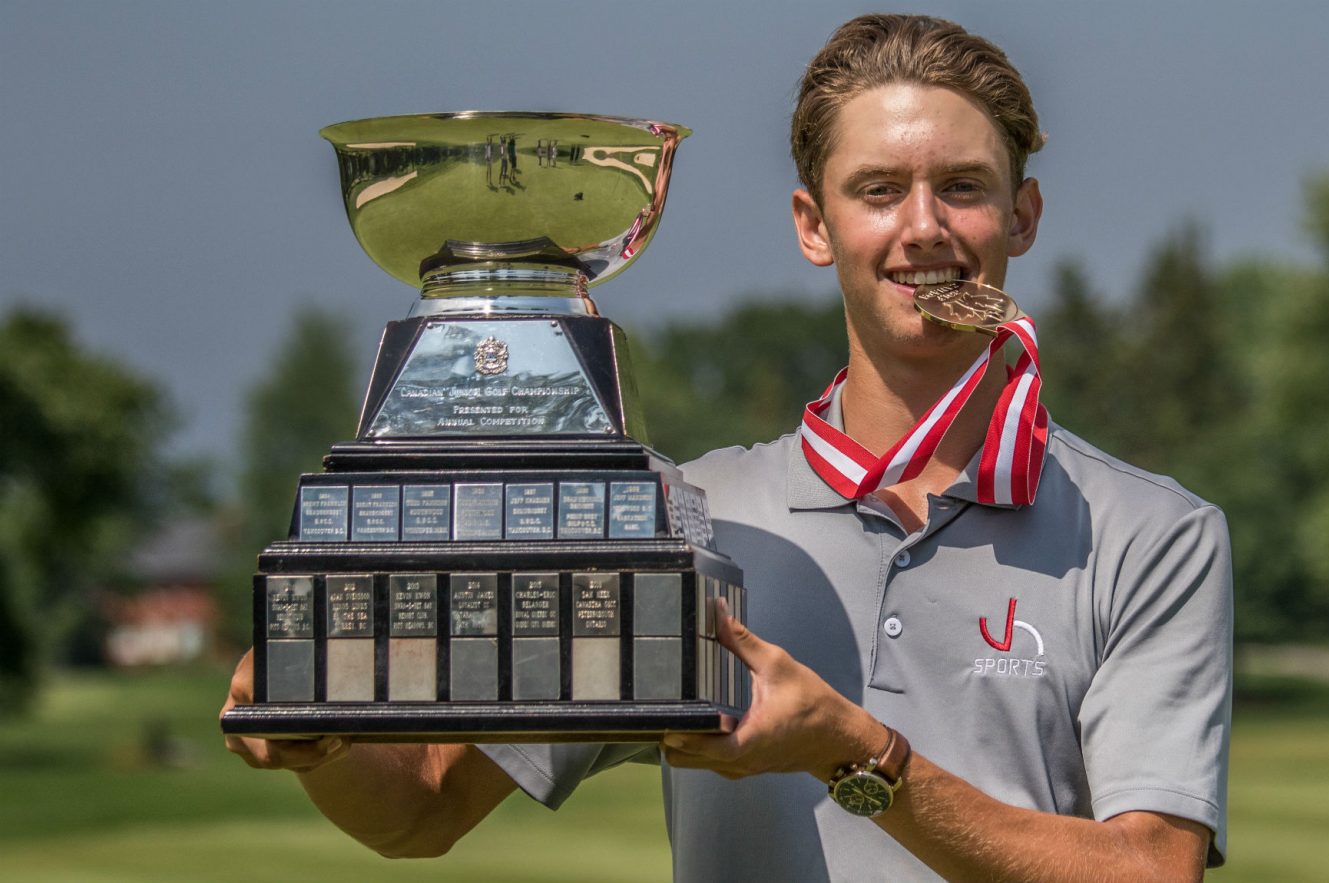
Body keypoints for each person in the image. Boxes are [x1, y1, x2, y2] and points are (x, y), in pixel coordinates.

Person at [224, 14, 1231, 882]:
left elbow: (1150, 867)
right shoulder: (682, 521)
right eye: (878, 189)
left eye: (962, 188)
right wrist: (318, 732)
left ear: (1024, 215)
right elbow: (424, 806)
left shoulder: (1151, 533)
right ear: (815, 224)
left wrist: (857, 752)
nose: (924, 228)